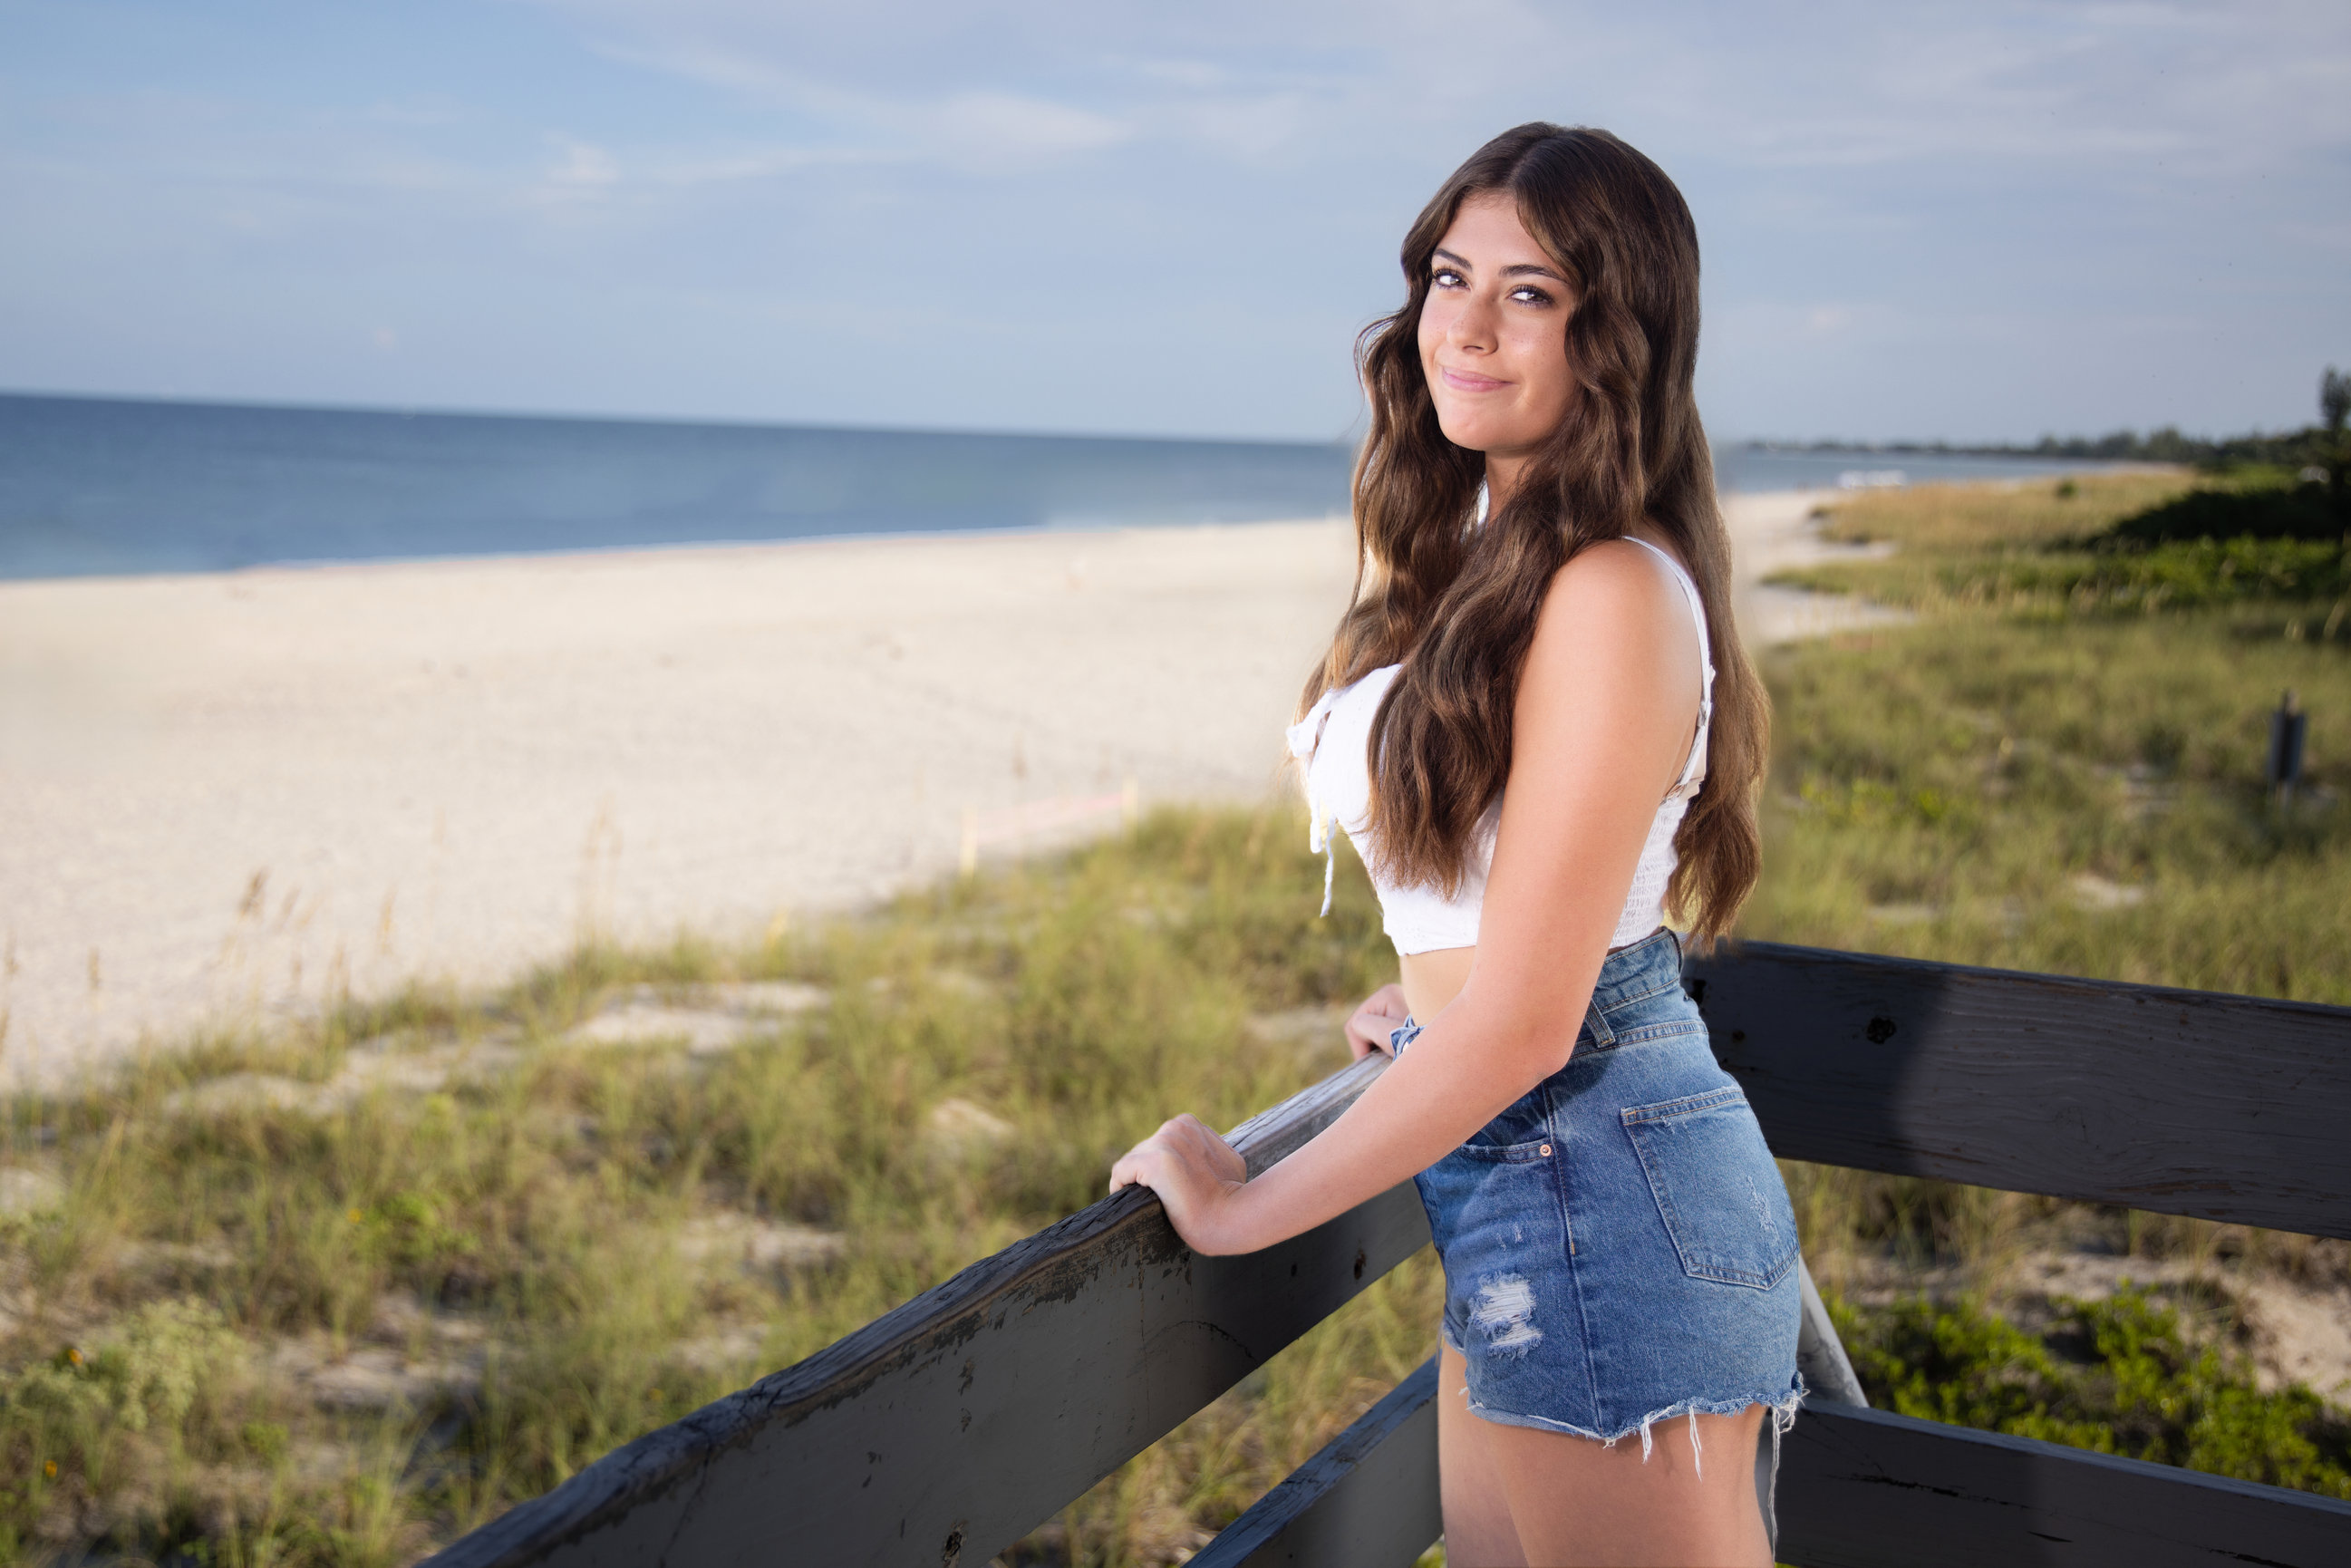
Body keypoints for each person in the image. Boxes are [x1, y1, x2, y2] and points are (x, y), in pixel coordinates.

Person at [1109, 123, 1801, 1566]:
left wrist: (1239, 1212)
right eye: (1447, 275)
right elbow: (1517, 927)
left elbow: (1538, 1021)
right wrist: (1433, 999)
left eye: (1531, 292)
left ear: (1617, 333)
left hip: (1595, 1182)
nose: (1467, 325)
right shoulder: (1486, 558)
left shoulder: (1610, 585)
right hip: (1525, 1178)